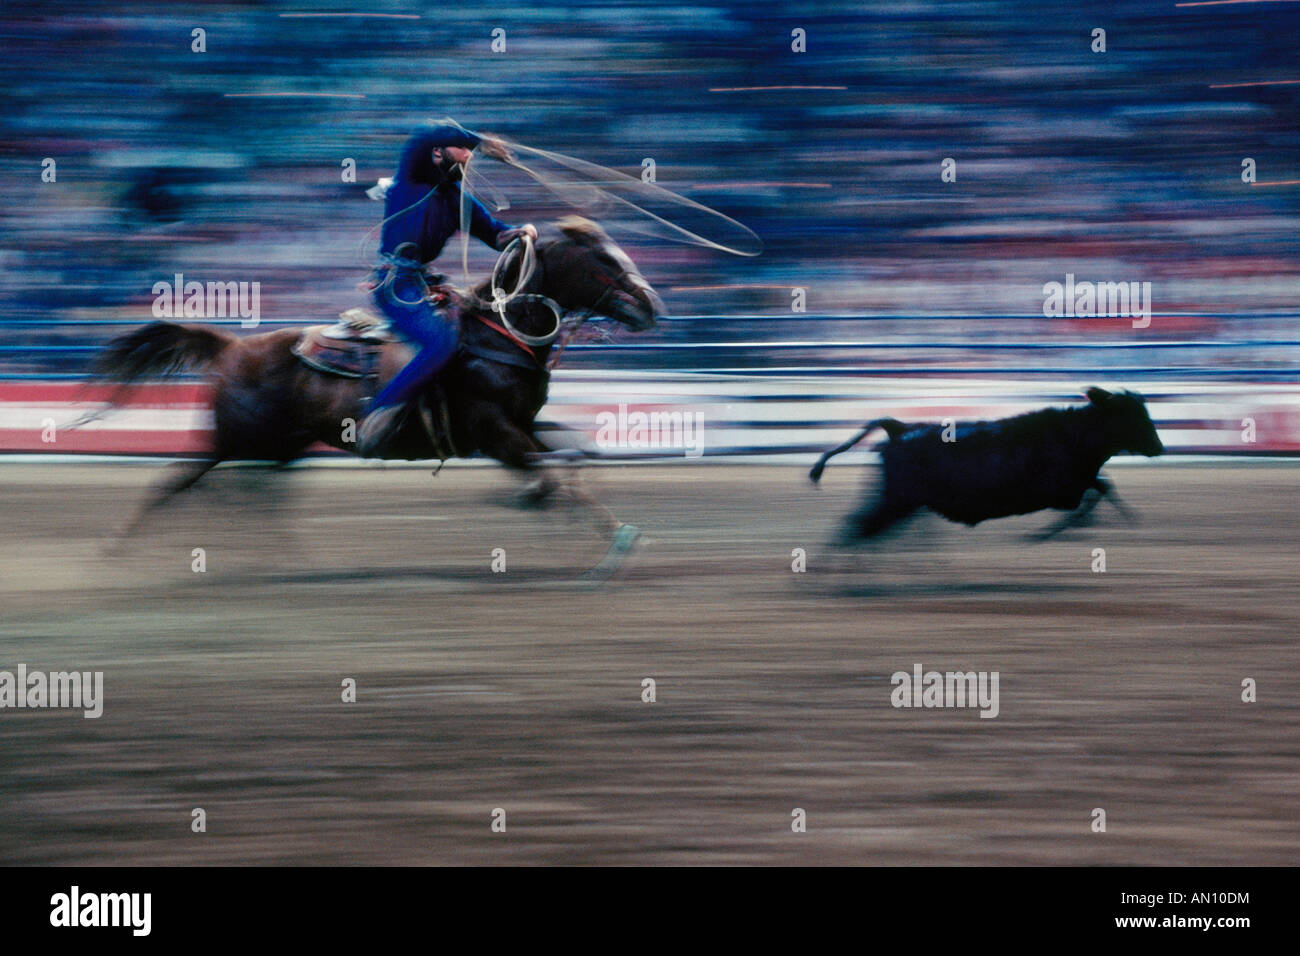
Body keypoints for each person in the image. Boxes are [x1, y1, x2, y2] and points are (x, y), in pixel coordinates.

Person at [357, 120, 537, 455]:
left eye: (470, 150)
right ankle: (379, 414)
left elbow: (496, 234)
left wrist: (521, 233)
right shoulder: (411, 177)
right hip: (397, 286)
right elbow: (425, 134)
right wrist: (481, 141)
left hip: (420, 286)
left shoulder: (458, 201)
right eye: (462, 149)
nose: (469, 155)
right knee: (440, 343)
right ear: (438, 152)